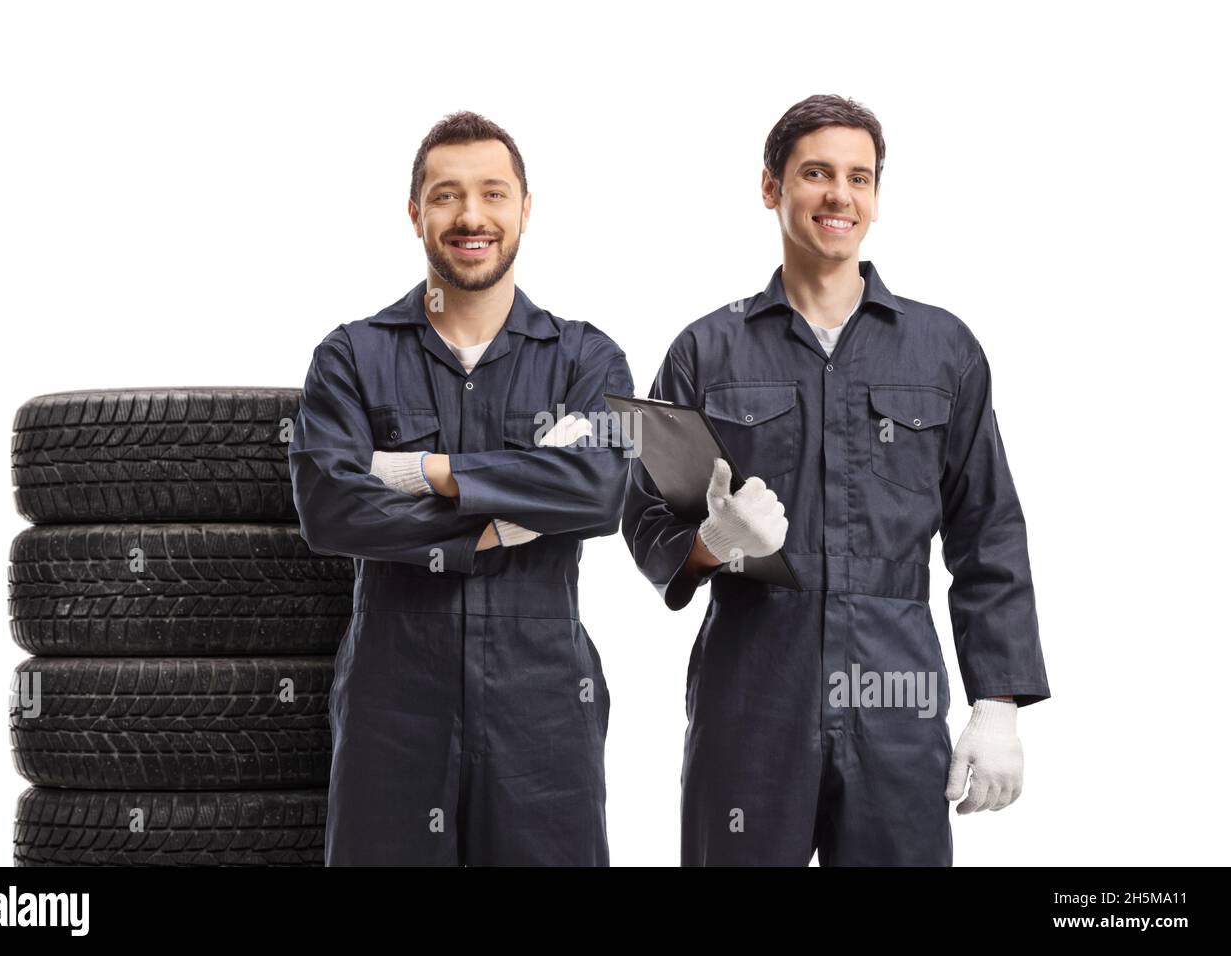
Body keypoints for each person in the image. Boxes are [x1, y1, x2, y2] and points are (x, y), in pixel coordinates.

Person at [621, 94, 1050, 866]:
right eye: (815, 173)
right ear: (770, 188)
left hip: (897, 700)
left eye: (859, 177)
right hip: (751, 696)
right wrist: (715, 542)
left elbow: (988, 530)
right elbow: (646, 514)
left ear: (877, 197)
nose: (838, 195)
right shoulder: (707, 350)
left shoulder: (941, 350)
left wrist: (999, 703)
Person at [289, 111, 633, 865]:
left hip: (544, 707)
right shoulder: (353, 356)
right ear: (415, 213)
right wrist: (498, 522)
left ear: (524, 210)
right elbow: (331, 507)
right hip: (393, 709)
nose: (471, 217)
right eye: (446, 196)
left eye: (493, 195)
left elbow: (601, 491)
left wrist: (429, 472)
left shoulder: (586, 358)